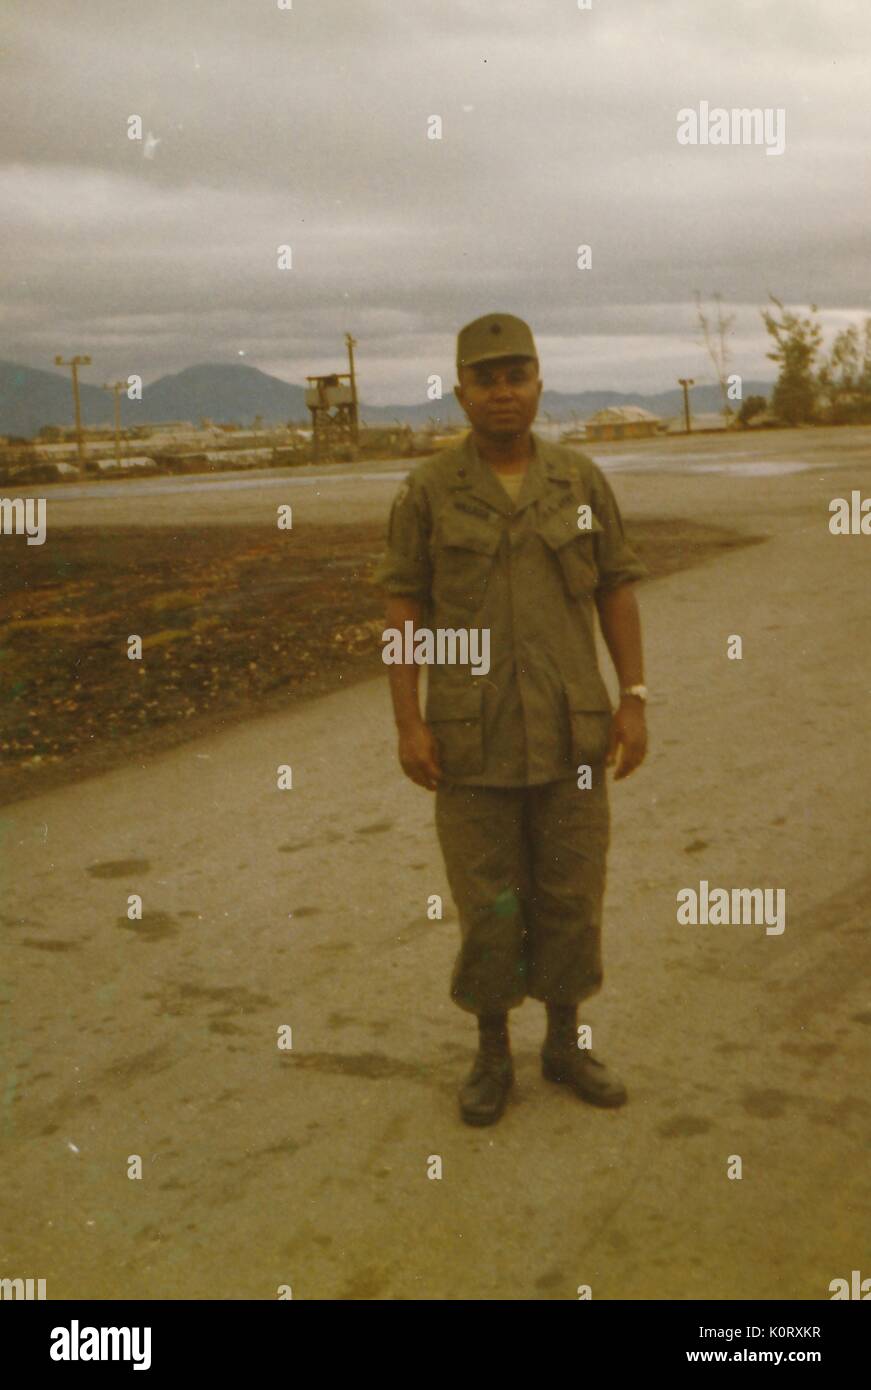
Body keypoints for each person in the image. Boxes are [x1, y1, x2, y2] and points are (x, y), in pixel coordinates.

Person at [372, 312, 648, 1126]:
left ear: (537, 384)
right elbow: (403, 609)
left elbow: (616, 589)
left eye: (516, 375)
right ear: (460, 392)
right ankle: (492, 1052)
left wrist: (633, 698)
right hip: (470, 737)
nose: (502, 392)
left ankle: (563, 1043)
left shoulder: (579, 482)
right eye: (485, 378)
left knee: (569, 892)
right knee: (489, 900)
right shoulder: (427, 492)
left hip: (572, 730)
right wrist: (407, 724)